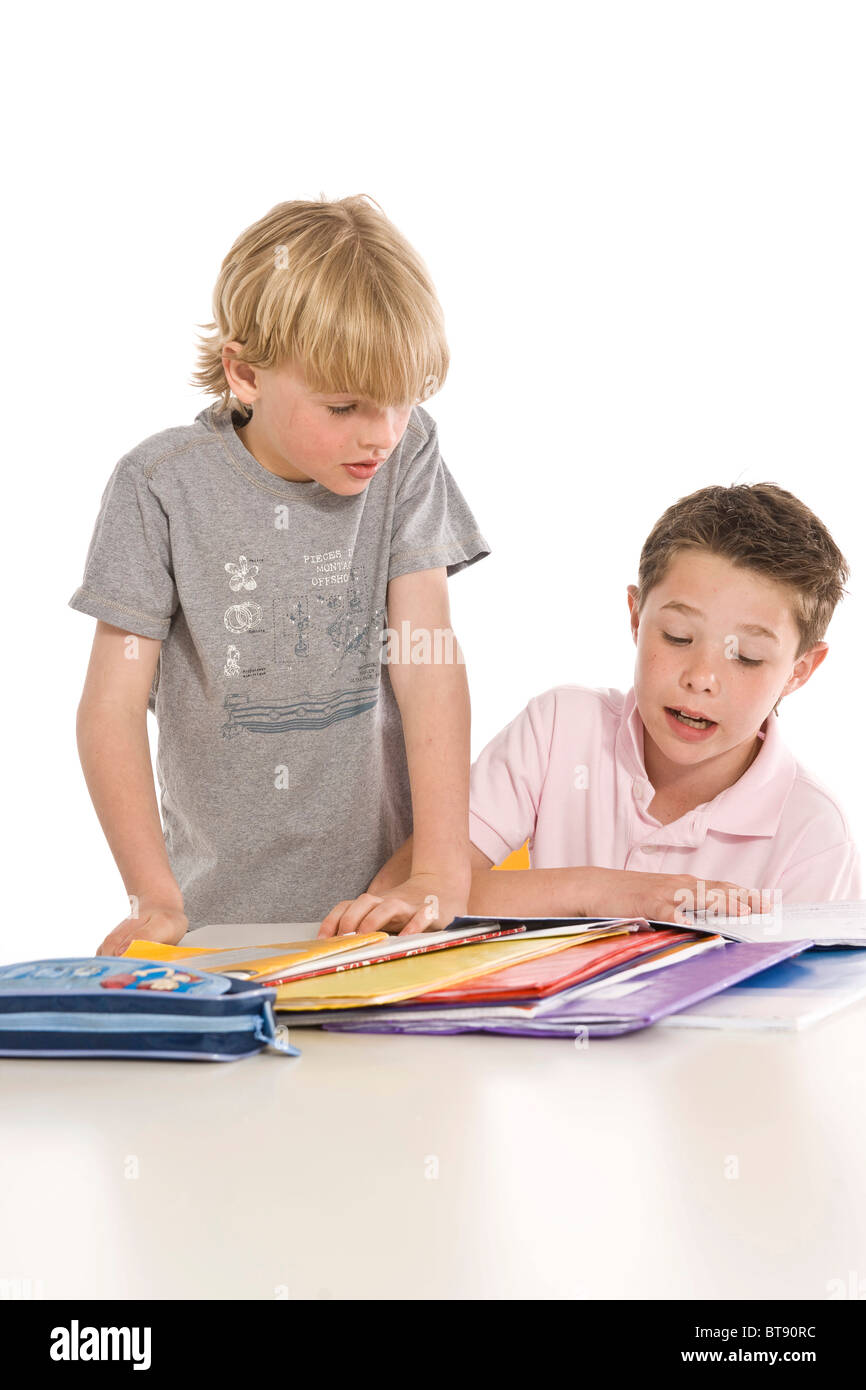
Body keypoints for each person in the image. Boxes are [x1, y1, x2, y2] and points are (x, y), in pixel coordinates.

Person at [69, 195, 489, 954]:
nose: (383, 433)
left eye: (402, 401)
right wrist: (154, 898)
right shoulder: (160, 485)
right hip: (218, 923)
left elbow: (428, 655)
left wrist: (438, 869)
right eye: (345, 405)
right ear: (245, 373)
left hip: (377, 917)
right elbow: (111, 707)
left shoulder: (409, 455)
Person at [354, 483, 861, 934]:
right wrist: (605, 891)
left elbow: (805, 1019)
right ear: (637, 617)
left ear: (799, 670)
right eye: (678, 636)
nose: (701, 679)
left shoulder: (814, 833)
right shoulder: (560, 730)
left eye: (747, 657)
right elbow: (401, 894)